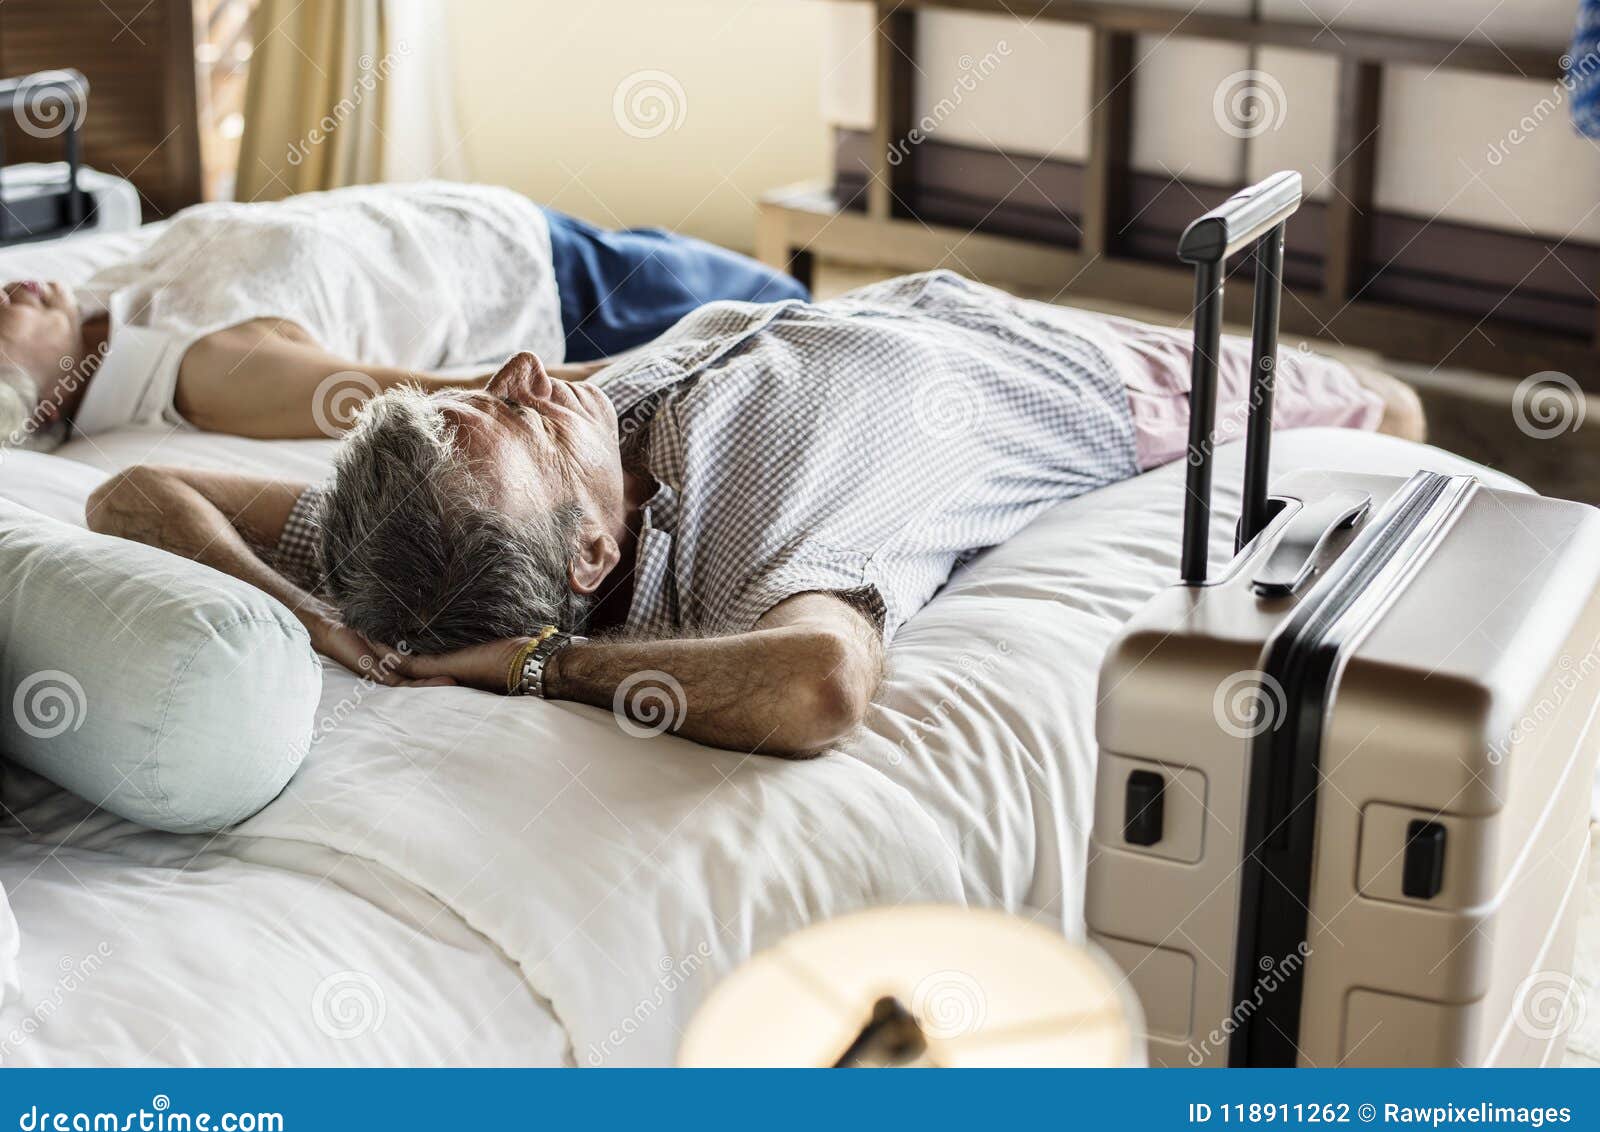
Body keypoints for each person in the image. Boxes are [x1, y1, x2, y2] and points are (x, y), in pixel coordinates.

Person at [88, 272, 1425, 759]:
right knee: (1396, 414)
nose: (517, 377)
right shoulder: (782, 500)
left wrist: (306, 615)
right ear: (593, 552)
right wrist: (539, 668)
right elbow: (816, 687)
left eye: (482, 403)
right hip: (1101, 379)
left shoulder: (427, 533)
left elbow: (138, 488)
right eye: (521, 421)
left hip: (889, 314)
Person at [0, 181, 806, 444]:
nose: (6, 294)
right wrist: (653, 371)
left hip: (518, 230)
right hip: (565, 291)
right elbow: (417, 394)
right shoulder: (201, 372)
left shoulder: (105, 298)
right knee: (788, 303)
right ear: (36, 393)